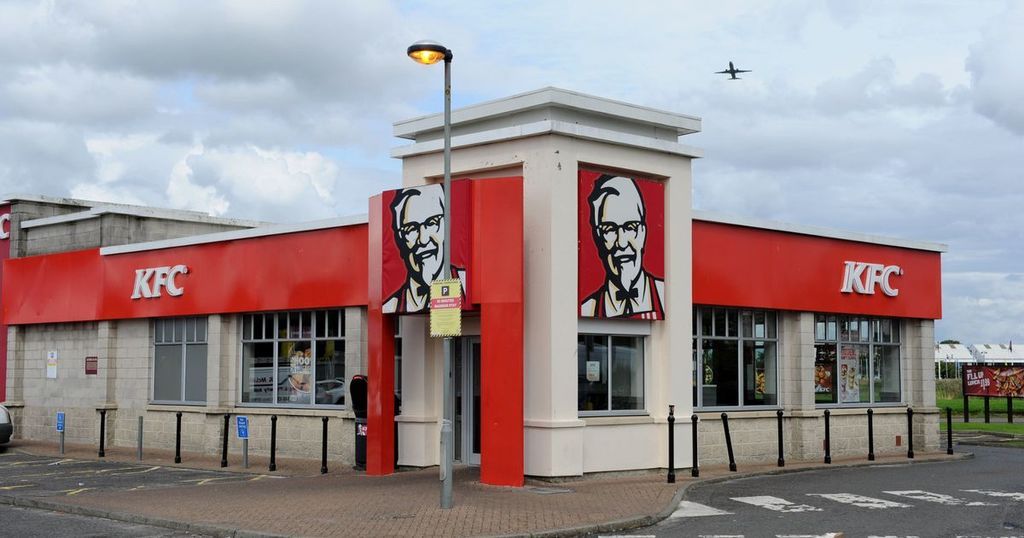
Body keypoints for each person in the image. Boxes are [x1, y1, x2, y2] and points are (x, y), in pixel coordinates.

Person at [580, 175, 665, 319]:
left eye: (630, 227)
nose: (622, 242)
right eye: (609, 229)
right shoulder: (587, 309)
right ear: (598, 238)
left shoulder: (666, 296)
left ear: (643, 233)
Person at [383, 184, 465, 313]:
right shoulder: (390, 306)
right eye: (411, 228)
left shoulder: (468, 285)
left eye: (432, 223)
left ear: (446, 225)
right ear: (400, 239)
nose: (423, 239)